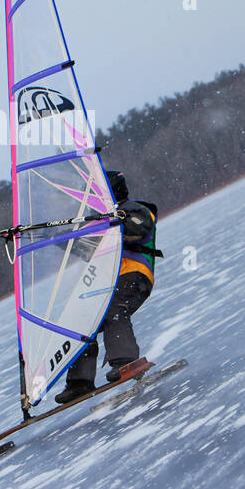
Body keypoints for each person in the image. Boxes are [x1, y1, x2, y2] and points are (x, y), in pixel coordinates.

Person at [55, 169, 162, 403]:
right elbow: (84, 245)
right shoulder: (98, 222)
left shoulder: (135, 209)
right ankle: (80, 382)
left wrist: (115, 220)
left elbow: (137, 228)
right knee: (81, 322)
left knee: (113, 308)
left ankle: (127, 361)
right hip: (108, 282)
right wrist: (48, 238)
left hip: (135, 275)